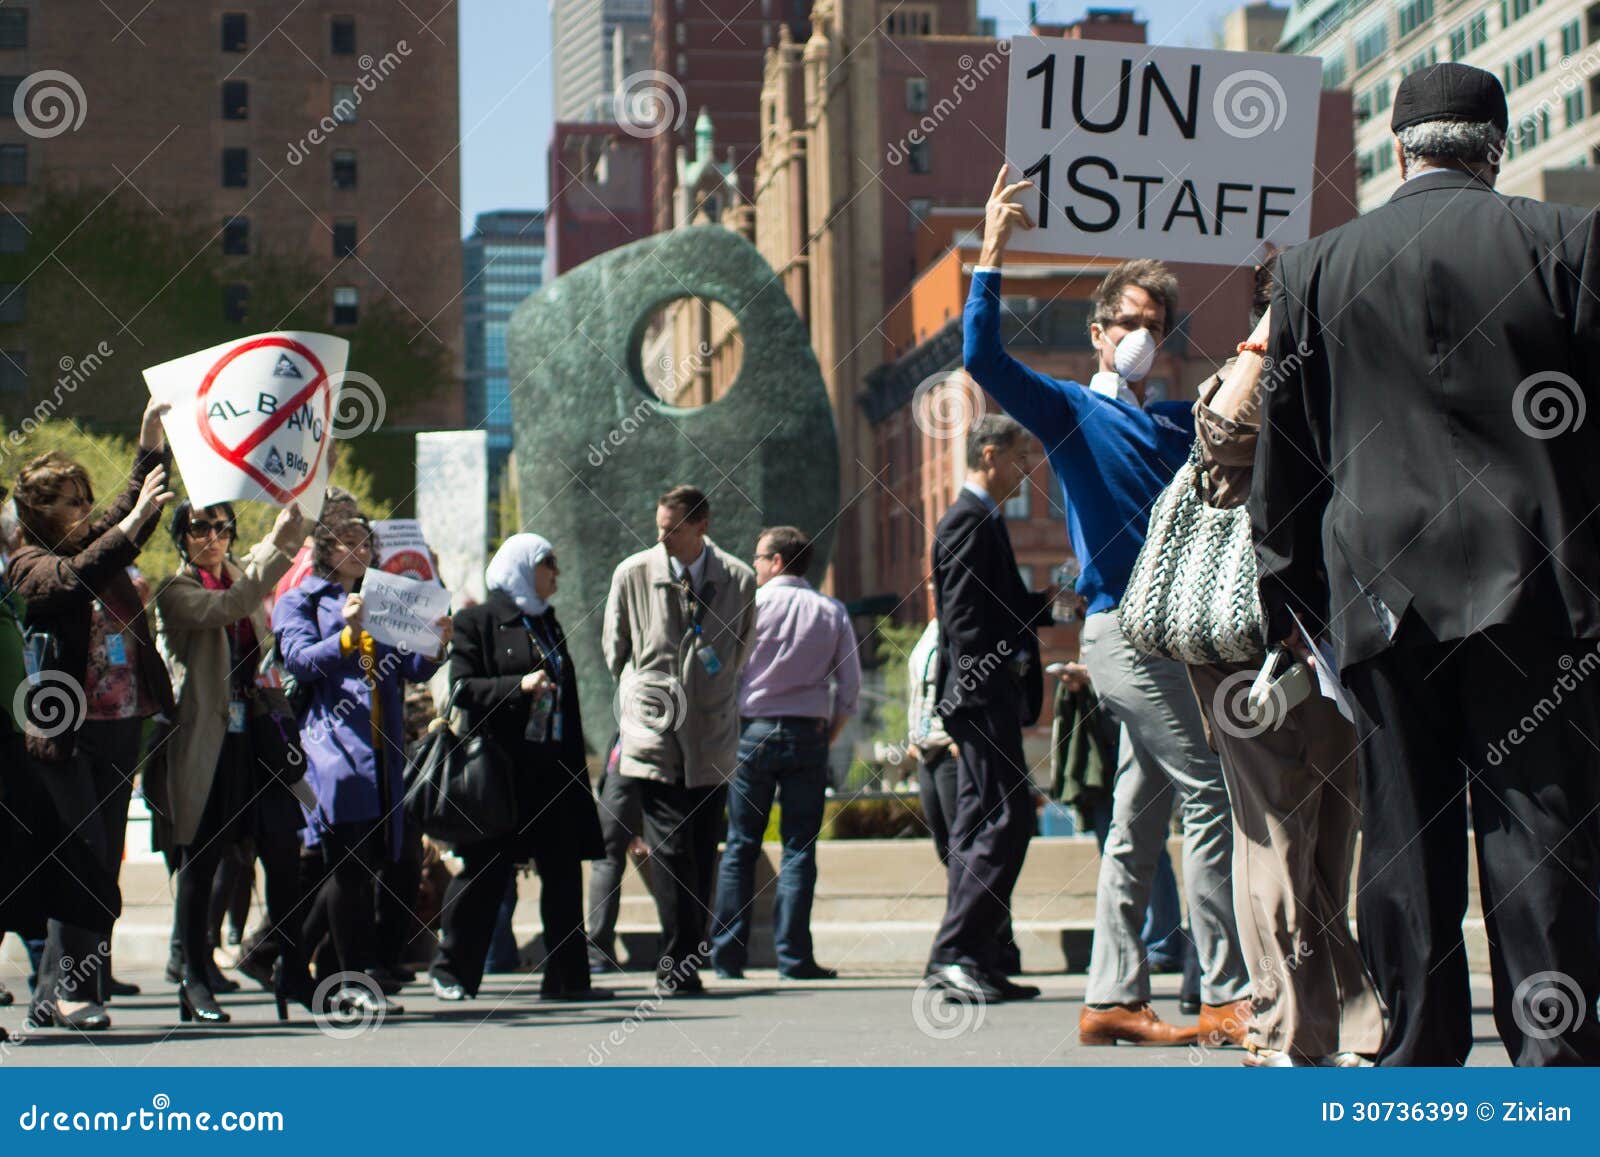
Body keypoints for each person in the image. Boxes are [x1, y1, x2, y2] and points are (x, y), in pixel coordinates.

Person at [1252, 62, 1600, 1066]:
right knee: (1542, 835)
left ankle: (1415, 1062)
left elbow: (1289, 456)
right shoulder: (1567, 242)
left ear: (1397, 149)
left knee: (1403, 841)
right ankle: (1556, 1069)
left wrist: (1298, 602)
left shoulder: (1313, 268)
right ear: (1495, 145)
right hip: (1541, 596)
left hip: (1378, 600)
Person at [966, 166, 1248, 1045]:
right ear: (1097, 333)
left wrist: (1274, 300)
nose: (1139, 336)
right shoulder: (1067, 411)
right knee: (1210, 793)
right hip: (1123, 631)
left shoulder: (1175, 423)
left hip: (1179, 632)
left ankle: (1111, 998)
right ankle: (1226, 992)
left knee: (1138, 814)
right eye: (1126, 322)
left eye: (1154, 327)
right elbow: (980, 357)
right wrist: (993, 249)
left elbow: (1250, 422)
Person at [1184, 264, 1384, 1067]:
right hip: (1251, 647)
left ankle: (1339, 1028)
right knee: (1275, 836)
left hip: (1337, 643)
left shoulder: (1349, 369)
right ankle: (1291, 1030)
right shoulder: (1250, 372)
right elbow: (1223, 435)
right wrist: (1267, 337)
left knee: (1335, 840)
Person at [8, 399, 176, 1030]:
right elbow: (80, 574)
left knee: (101, 859)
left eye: (84, 497)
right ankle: (76, 993)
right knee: (79, 853)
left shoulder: (89, 542)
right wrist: (130, 522)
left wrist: (148, 445)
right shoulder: (29, 565)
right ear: (38, 512)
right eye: (71, 501)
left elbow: (121, 520)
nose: (84, 508)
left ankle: (60, 991)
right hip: (64, 731)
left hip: (121, 721)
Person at [274, 507, 450, 1016]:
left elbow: (411, 667)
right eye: (347, 540)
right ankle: (348, 981)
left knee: (363, 865)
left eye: (365, 541)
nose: (360, 549)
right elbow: (301, 663)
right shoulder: (299, 600)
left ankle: (294, 968)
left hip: (382, 750)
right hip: (334, 748)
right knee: (347, 869)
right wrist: (347, 635)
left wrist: (436, 642)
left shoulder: (384, 597)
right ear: (325, 549)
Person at [152, 499, 316, 1024]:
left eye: (223, 527)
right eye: (201, 527)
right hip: (208, 744)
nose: (214, 536)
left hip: (258, 742)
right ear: (183, 536)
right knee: (200, 865)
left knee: (284, 855)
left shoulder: (243, 578)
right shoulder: (176, 591)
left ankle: (294, 970)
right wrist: (281, 544)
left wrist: (299, 514)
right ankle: (194, 978)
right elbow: (227, 606)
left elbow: (254, 597)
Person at [430, 533, 608, 1001]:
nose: (557, 573)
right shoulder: (477, 620)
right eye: (549, 563)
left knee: (563, 874)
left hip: (552, 771)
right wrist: (518, 685)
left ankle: (567, 978)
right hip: (500, 770)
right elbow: (464, 689)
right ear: (524, 567)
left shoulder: (548, 622)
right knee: (485, 872)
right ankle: (453, 971)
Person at [603, 485, 756, 994]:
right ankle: (681, 957)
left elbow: (739, 652)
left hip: (710, 735)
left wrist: (706, 688)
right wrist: (644, 691)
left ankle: (687, 951)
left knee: (700, 846)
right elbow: (614, 650)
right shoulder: (632, 574)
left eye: (673, 529)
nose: (662, 537)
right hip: (654, 734)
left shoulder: (738, 578)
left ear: (701, 526)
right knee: (667, 848)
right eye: (659, 527)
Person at [923, 415, 1054, 1004]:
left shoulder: (980, 520)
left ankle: (979, 957)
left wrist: (1046, 606)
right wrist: (989, 681)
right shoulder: (968, 521)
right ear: (992, 455)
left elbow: (993, 608)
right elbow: (964, 622)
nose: (1027, 471)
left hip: (979, 697)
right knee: (1010, 819)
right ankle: (953, 955)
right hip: (979, 699)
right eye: (1021, 458)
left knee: (978, 826)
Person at [709, 526, 859, 980]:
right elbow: (849, 687)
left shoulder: (749, 608)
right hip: (807, 735)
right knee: (799, 849)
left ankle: (726, 958)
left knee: (739, 847)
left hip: (752, 734)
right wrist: (828, 732)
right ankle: (793, 959)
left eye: (758, 558)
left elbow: (722, 672)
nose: (753, 565)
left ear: (776, 562)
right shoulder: (831, 611)